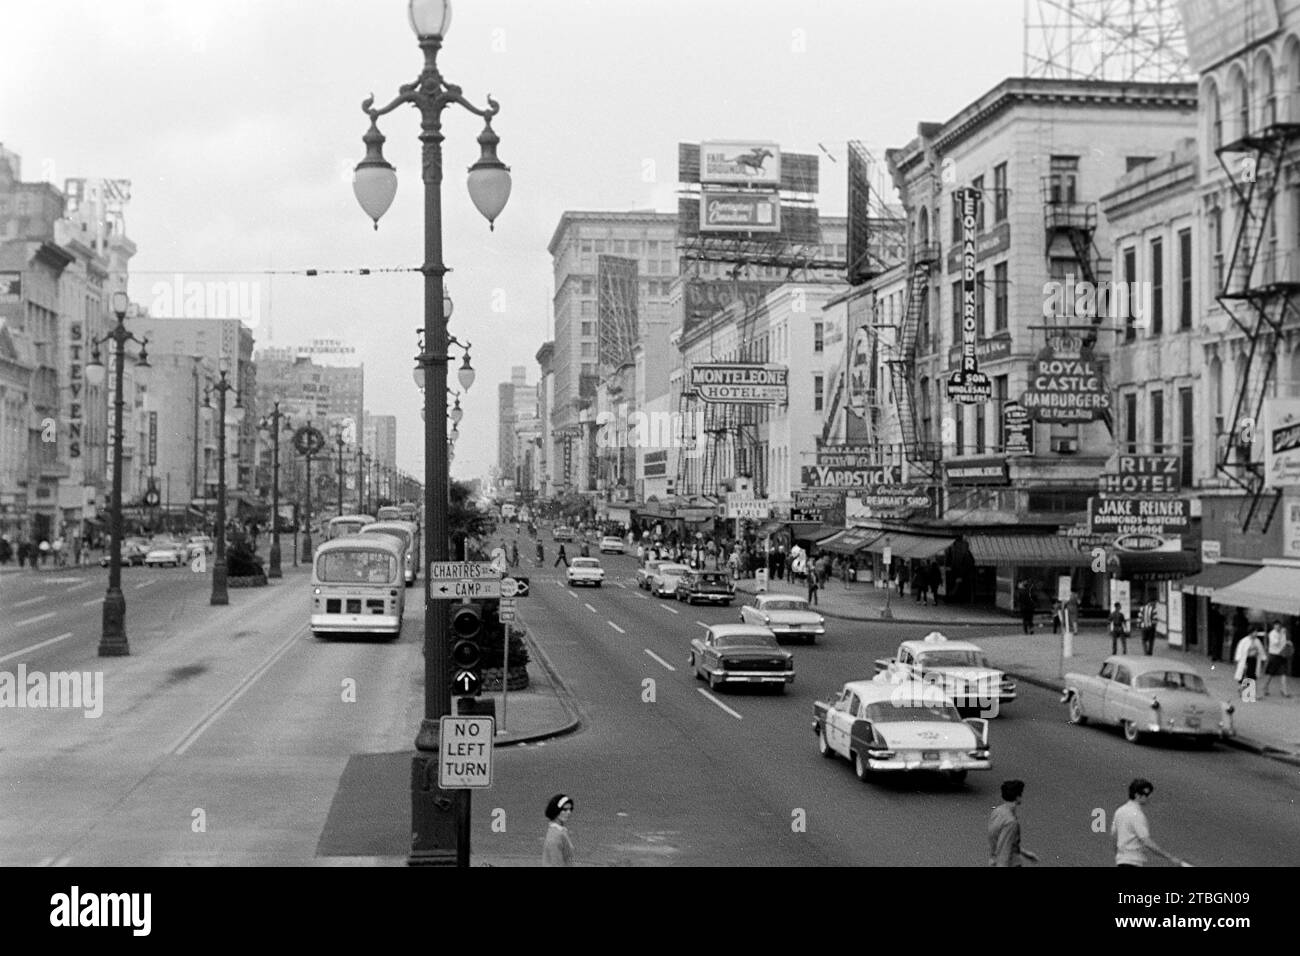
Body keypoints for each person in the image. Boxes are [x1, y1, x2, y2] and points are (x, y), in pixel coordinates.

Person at [1111, 778, 1191, 867]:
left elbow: (1114, 836)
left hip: (1121, 861)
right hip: (1133, 862)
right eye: (1146, 794)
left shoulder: (1119, 811)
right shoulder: (1136, 814)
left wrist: (1120, 855)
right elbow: (1146, 841)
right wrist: (1170, 857)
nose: (1149, 798)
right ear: (1137, 795)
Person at [988, 779, 1040, 867]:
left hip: (994, 860)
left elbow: (998, 839)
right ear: (1017, 797)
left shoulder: (997, 812)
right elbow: (1004, 850)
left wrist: (1025, 853)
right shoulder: (1010, 822)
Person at [542, 794, 575, 867]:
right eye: (565, 810)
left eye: (570, 809)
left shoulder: (559, 831)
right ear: (556, 811)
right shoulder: (555, 836)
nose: (569, 812)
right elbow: (556, 863)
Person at [1233, 627, 1267, 699]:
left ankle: (1248, 692)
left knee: (1252, 676)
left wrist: (1264, 657)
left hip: (1253, 660)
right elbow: (1240, 650)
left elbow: (1261, 650)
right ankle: (1242, 690)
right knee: (1243, 675)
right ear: (1251, 632)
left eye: (1256, 632)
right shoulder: (1244, 641)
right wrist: (1238, 659)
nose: (1256, 633)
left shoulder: (1257, 641)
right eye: (1254, 632)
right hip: (1245, 660)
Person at [1262, 621, 1292, 698]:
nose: (1278, 627)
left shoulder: (1283, 633)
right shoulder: (1272, 634)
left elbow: (1283, 642)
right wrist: (1281, 634)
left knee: (1283, 673)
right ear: (1274, 626)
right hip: (1274, 655)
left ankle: (1284, 691)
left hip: (1282, 655)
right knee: (1271, 674)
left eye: (1279, 626)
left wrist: (1288, 642)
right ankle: (1265, 686)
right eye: (1276, 626)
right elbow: (1276, 643)